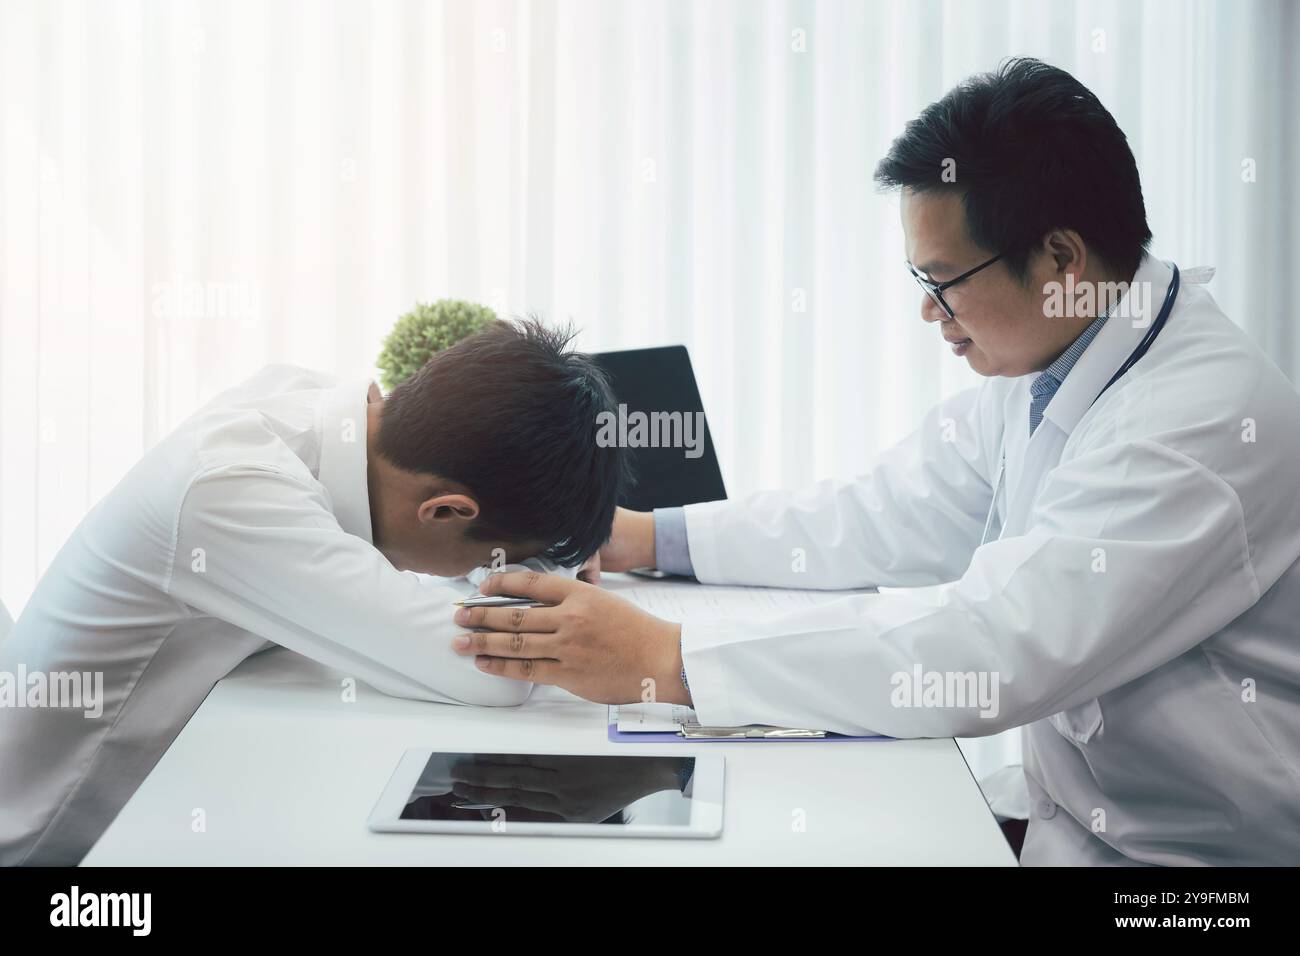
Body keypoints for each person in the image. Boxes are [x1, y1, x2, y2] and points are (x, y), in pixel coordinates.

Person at [447, 59, 1300, 866]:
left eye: (944, 280)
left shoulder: (1195, 424)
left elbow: (994, 648)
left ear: (1062, 259)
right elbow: (886, 510)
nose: (929, 313)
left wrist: (668, 659)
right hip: (1075, 820)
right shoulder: (1063, 354)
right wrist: (646, 538)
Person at [0, 318, 627, 865]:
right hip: (52, 847)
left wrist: (546, 548)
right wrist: (554, 566)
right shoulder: (233, 489)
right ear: (443, 511)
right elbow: (492, 672)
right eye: (509, 561)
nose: (501, 571)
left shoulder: (314, 408)